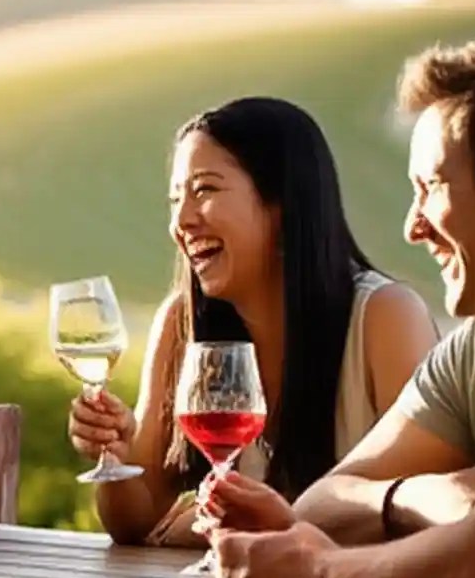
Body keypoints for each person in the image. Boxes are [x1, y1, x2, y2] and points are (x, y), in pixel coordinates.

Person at [210, 33, 475, 578]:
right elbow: (320, 506)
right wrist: (419, 497)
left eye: (430, 187)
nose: (412, 227)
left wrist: (310, 570)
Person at [67, 96, 437, 546]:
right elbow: (135, 522)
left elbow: (425, 506)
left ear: (281, 202)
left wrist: (215, 526)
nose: (182, 220)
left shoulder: (385, 317)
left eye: (204, 190)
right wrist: (115, 456)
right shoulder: (182, 324)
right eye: (175, 199)